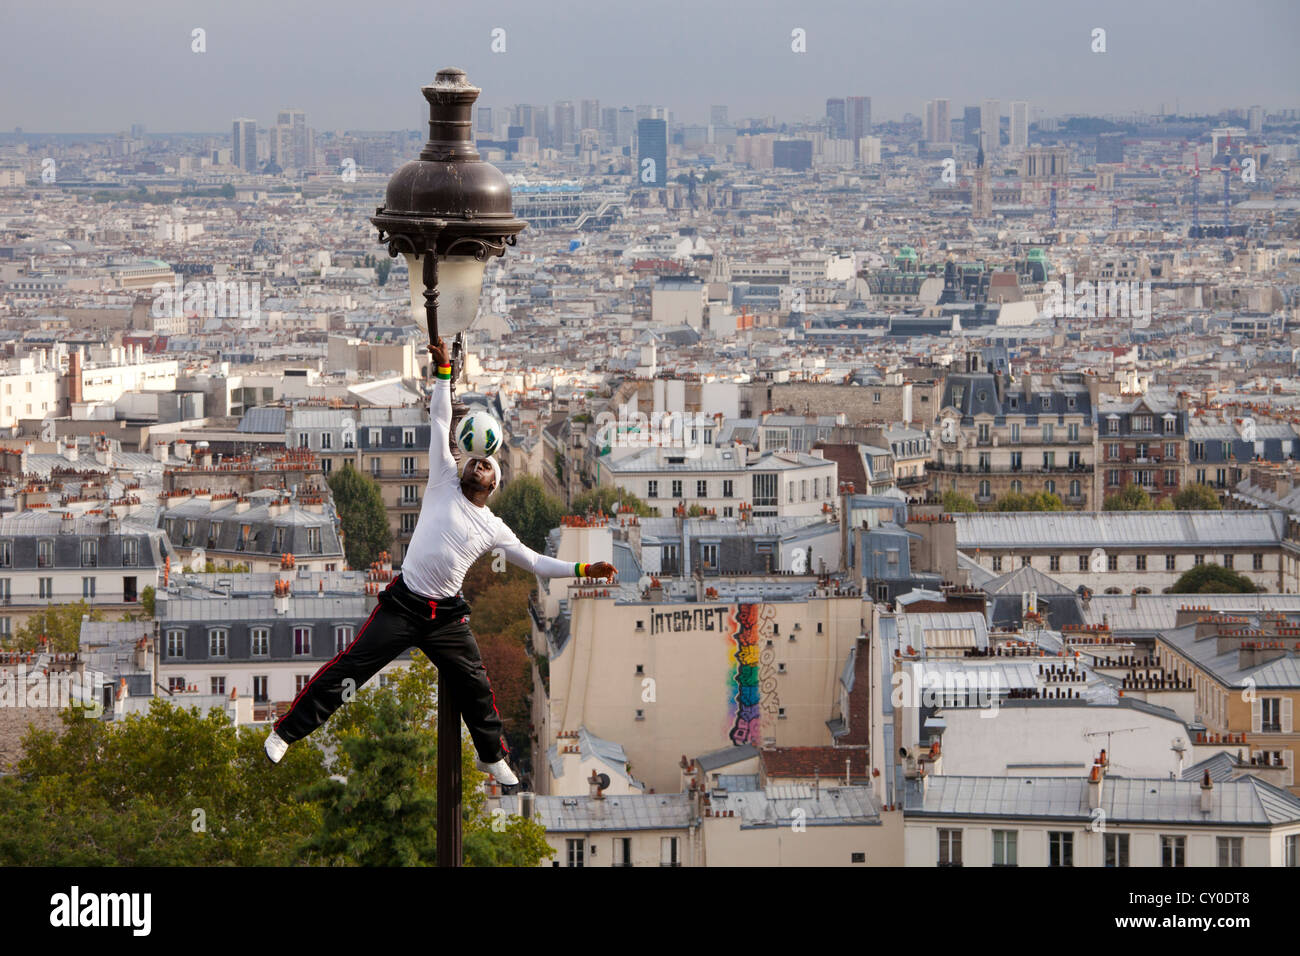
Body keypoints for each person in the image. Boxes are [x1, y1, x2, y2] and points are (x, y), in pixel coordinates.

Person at [265, 337, 616, 785]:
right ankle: (287, 733)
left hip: (446, 616)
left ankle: (492, 756)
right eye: (476, 462)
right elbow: (440, 420)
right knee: (351, 668)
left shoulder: (494, 527)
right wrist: (444, 372)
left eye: (487, 467)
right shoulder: (443, 480)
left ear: (493, 484)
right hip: (404, 603)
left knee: (477, 686)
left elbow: (537, 563)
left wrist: (586, 571)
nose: (478, 467)